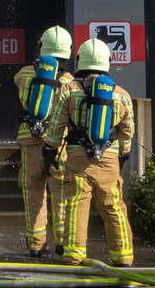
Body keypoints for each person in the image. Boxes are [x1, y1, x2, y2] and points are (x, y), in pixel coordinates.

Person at [47, 37, 136, 267]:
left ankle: (74, 255)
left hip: (77, 158)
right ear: (107, 62)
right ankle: (123, 257)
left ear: (80, 60)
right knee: (114, 206)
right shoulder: (121, 94)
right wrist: (123, 154)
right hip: (109, 159)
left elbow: (57, 124)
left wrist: (50, 150)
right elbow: (127, 131)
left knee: (76, 205)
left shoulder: (69, 90)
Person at [12, 25, 78, 258]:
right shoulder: (70, 80)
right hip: (57, 145)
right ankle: (61, 241)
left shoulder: (25, 74)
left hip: (29, 143)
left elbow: (19, 85)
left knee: (33, 194)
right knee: (60, 194)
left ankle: (36, 244)